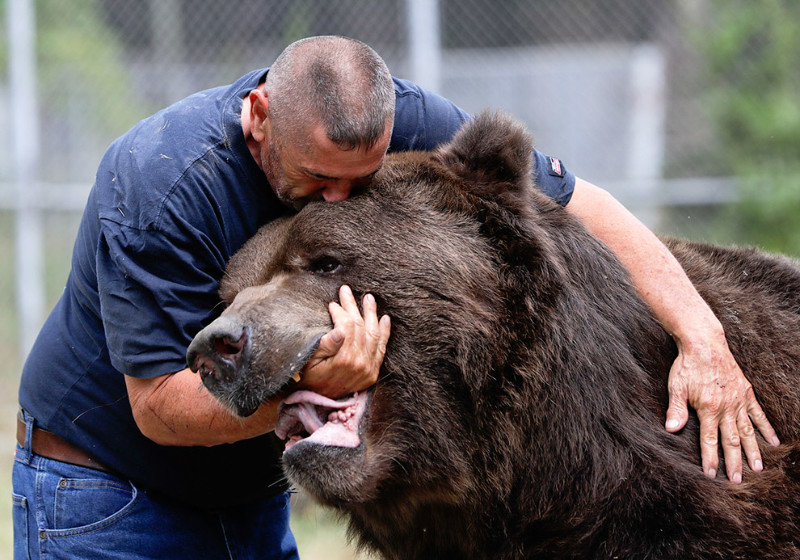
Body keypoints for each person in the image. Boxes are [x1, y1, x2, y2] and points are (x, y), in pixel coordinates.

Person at [13, 35, 778, 559]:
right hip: (110, 495)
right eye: (319, 183)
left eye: (361, 180)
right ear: (259, 117)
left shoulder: (374, 123)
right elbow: (157, 409)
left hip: (242, 499)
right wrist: (309, 381)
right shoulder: (159, 186)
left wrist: (702, 337)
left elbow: (577, 199)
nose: (343, 196)